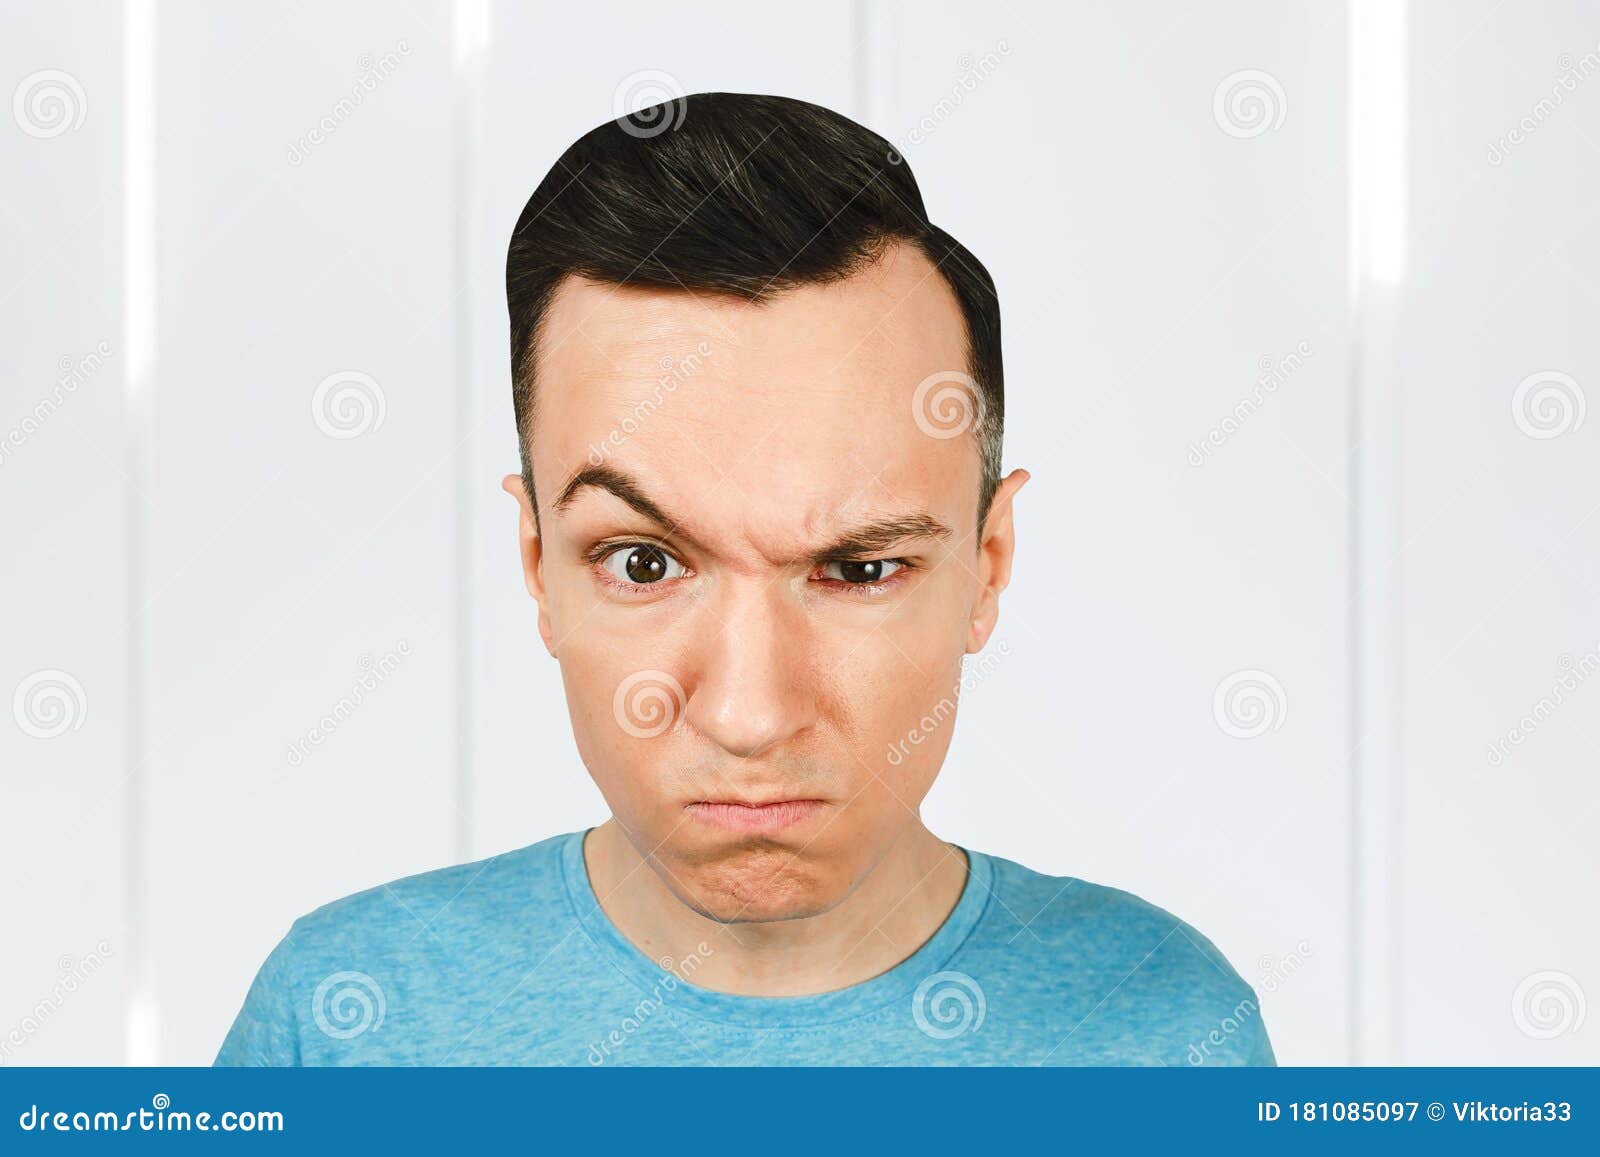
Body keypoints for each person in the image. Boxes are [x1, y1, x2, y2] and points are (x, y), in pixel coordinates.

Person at [216, 92, 1274, 1066]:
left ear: (988, 567)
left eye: (859, 568)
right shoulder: (345, 1017)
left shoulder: (1168, 1027)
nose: (749, 714)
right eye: (643, 562)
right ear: (536, 564)